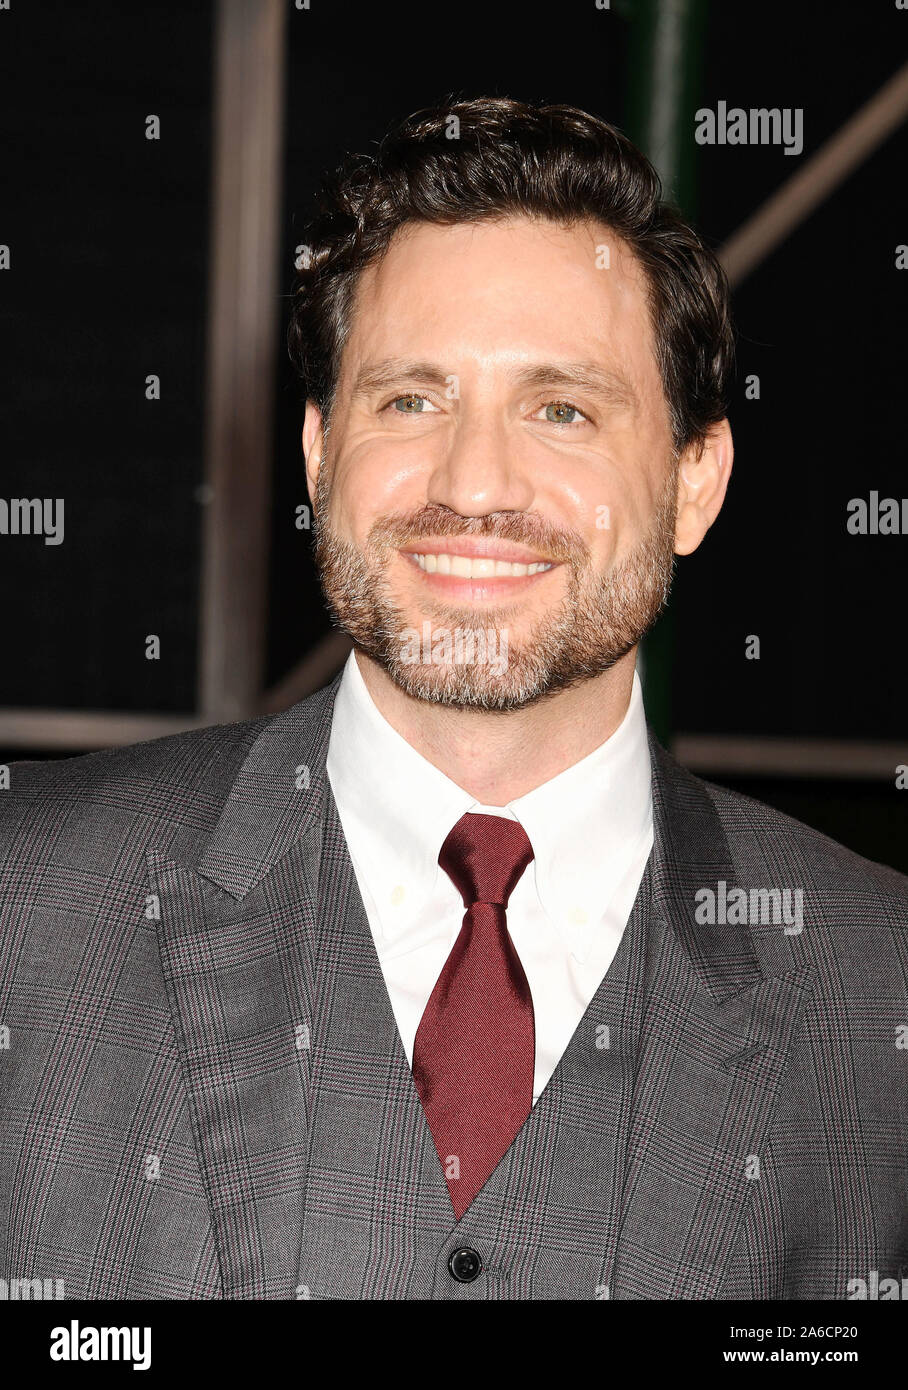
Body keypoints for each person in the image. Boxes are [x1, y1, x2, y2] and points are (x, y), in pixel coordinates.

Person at [1, 97, 905, 1301]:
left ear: (696, 480)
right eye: (411, 400)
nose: (474, 485)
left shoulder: (874, 990)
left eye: (562, 410)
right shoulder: (25, 910)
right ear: (320, 456)